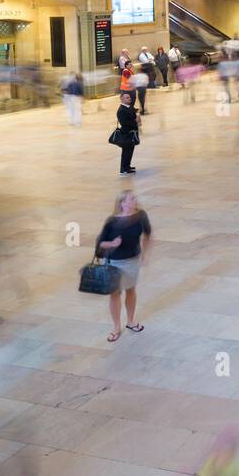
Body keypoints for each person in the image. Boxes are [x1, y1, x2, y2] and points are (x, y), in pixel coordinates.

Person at [94, 190, 150, 342]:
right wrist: (112, 243)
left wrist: (144, 254)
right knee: (115, 294)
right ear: (122, 203)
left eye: (134, 199)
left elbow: (148, 235)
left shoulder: (141, 216)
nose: (134, 201)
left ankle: (130, 321)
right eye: (131, 199)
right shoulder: (112, 221)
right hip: (114, 262)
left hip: (132, 261)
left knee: (131, 290)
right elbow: (101, 243)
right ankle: (116, 327)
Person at [114, 92, 141, 175]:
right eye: (127, 98)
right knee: (126, 152)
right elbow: (124, 123)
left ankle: (127, 166)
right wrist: (135, 121)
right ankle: (123, 169)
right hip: (126, 134)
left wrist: (137, 112)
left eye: (129, 97)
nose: (129, 98)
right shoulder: (121, 110)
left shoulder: (128, 107)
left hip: (131, 133)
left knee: (130, 151)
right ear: (121, 99)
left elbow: (133, 111)